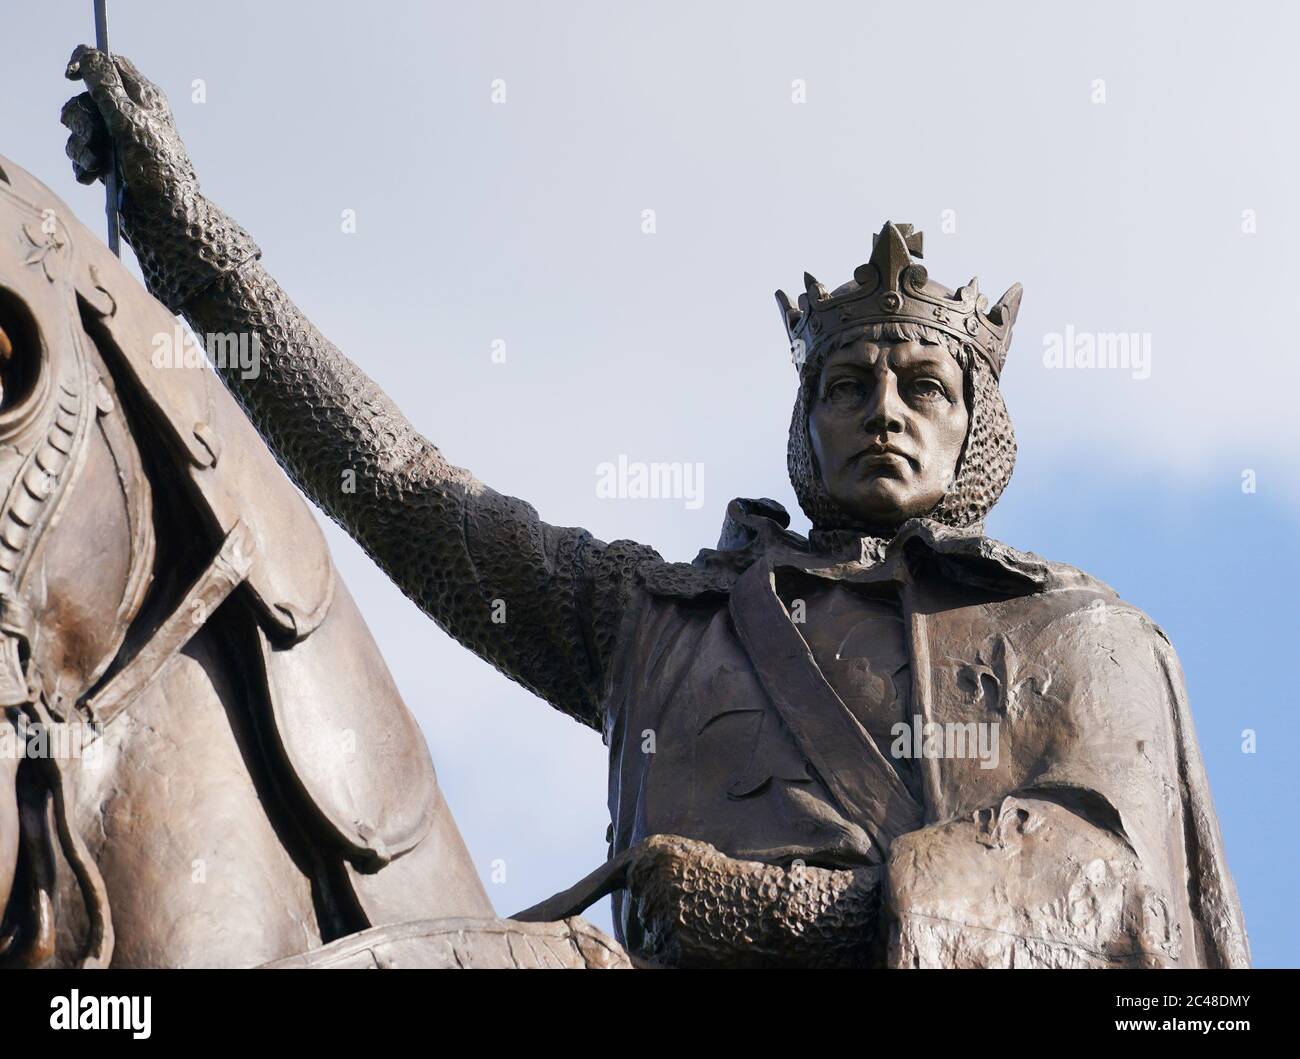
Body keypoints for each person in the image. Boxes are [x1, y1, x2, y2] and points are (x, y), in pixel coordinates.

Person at [61, 45, 1249, 968]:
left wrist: (802, 921)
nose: (881, 409)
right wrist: (192, 251)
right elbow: (416, 497)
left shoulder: (1079, 636)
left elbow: (1115, 897)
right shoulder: (657, 621)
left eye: (922, 386)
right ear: (805, 421)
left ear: (975, 426)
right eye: (848, 385)